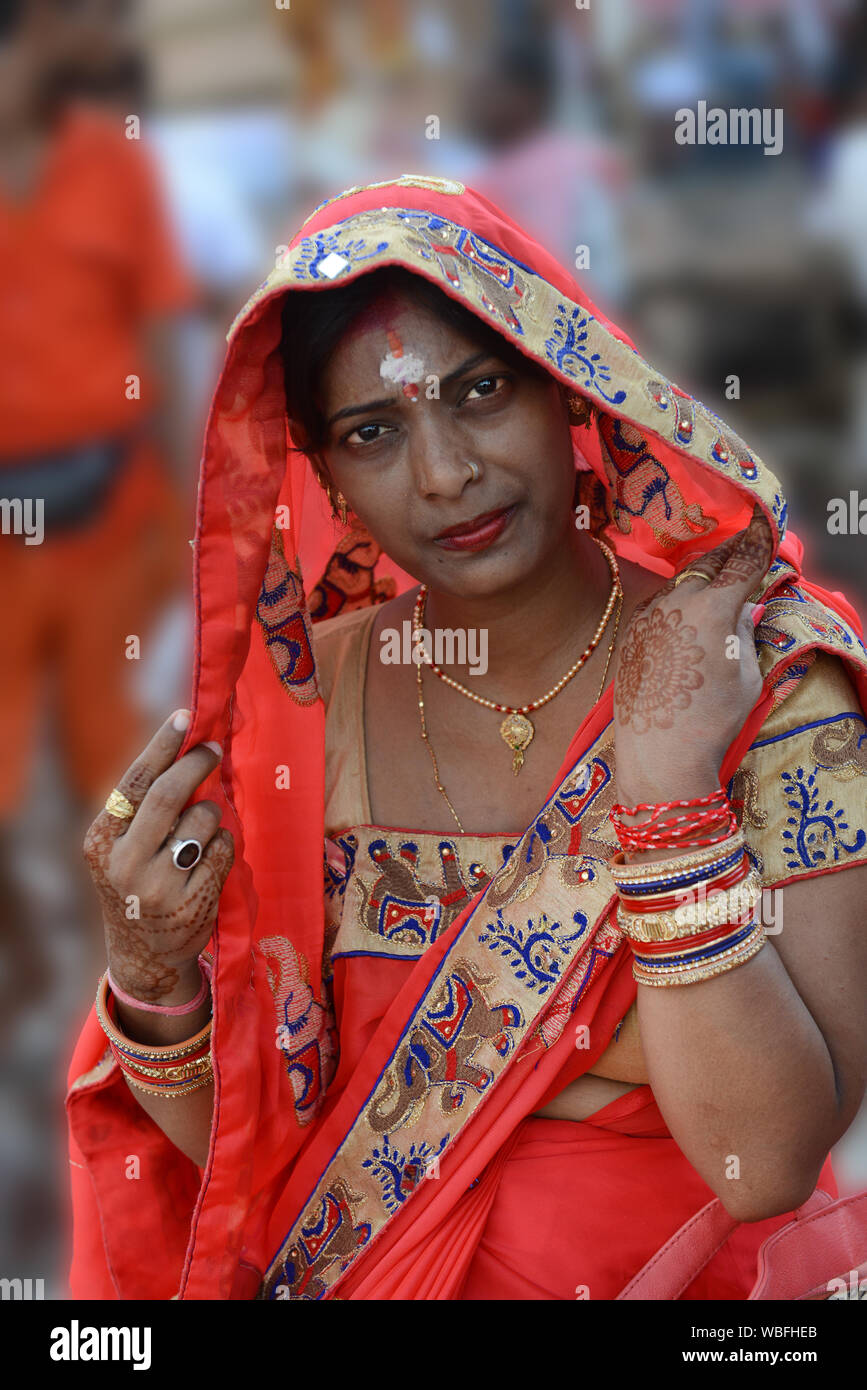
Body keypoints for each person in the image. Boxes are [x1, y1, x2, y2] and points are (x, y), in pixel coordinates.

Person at [66, 175, 867, 1301]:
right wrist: (156, 984)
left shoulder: (766, 679)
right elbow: (273, 1177)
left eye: (482, 390)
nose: (445, 474)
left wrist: (667, 783)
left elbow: (766, 1163)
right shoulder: (301, 713)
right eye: (374, 431)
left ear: (569, 392)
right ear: (327, 473)